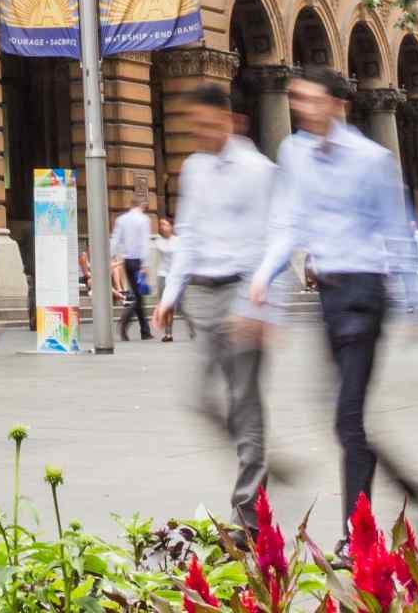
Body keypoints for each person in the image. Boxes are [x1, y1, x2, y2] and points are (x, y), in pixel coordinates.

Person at [247, 68, 418, 559]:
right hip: (328, 292)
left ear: (336, 104)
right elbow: (287, 221)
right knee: (342, 417)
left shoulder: (372, 160)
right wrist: (265, 277)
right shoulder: (293, 153)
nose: (301, 108)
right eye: (296, 100)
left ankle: (356, 535)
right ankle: (396, 476)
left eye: (310, 99)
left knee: (346, 417)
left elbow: (399, 226)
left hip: (366, 292)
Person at [153, 84, 278, 536]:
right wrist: (169, 295)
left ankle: (248, 513)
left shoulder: (260, 171)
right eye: (195, 127)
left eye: (207, 125)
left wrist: (257, 307)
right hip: (201, 297)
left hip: (242, 294)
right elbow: (187, 232)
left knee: (243, 399)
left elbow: (271, 241)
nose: (200, 134)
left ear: (230, 121)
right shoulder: (193, 168)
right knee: (201, 398)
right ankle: (259, 456)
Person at [112, 196, 154, 341]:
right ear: (142, 205)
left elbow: (115, 240)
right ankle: (124, 323)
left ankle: (145, 331)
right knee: (138, 297)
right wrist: (145, 264)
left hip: (127, 261)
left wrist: (112, 256)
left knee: (138, 296)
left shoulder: (121, 219)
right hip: (138, 262)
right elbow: (145, 243)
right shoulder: (143, 220)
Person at [151, 215, 195, 342]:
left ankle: (192, 328)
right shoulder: (158, 242)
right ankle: (168, 334)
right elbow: (165, 251)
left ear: (171, 226)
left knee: (181, 307)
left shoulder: (179, 241)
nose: (162, 227)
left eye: (165, 224)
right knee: (166, 306)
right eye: (161, 225)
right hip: (163, 275)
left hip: (177, 277)